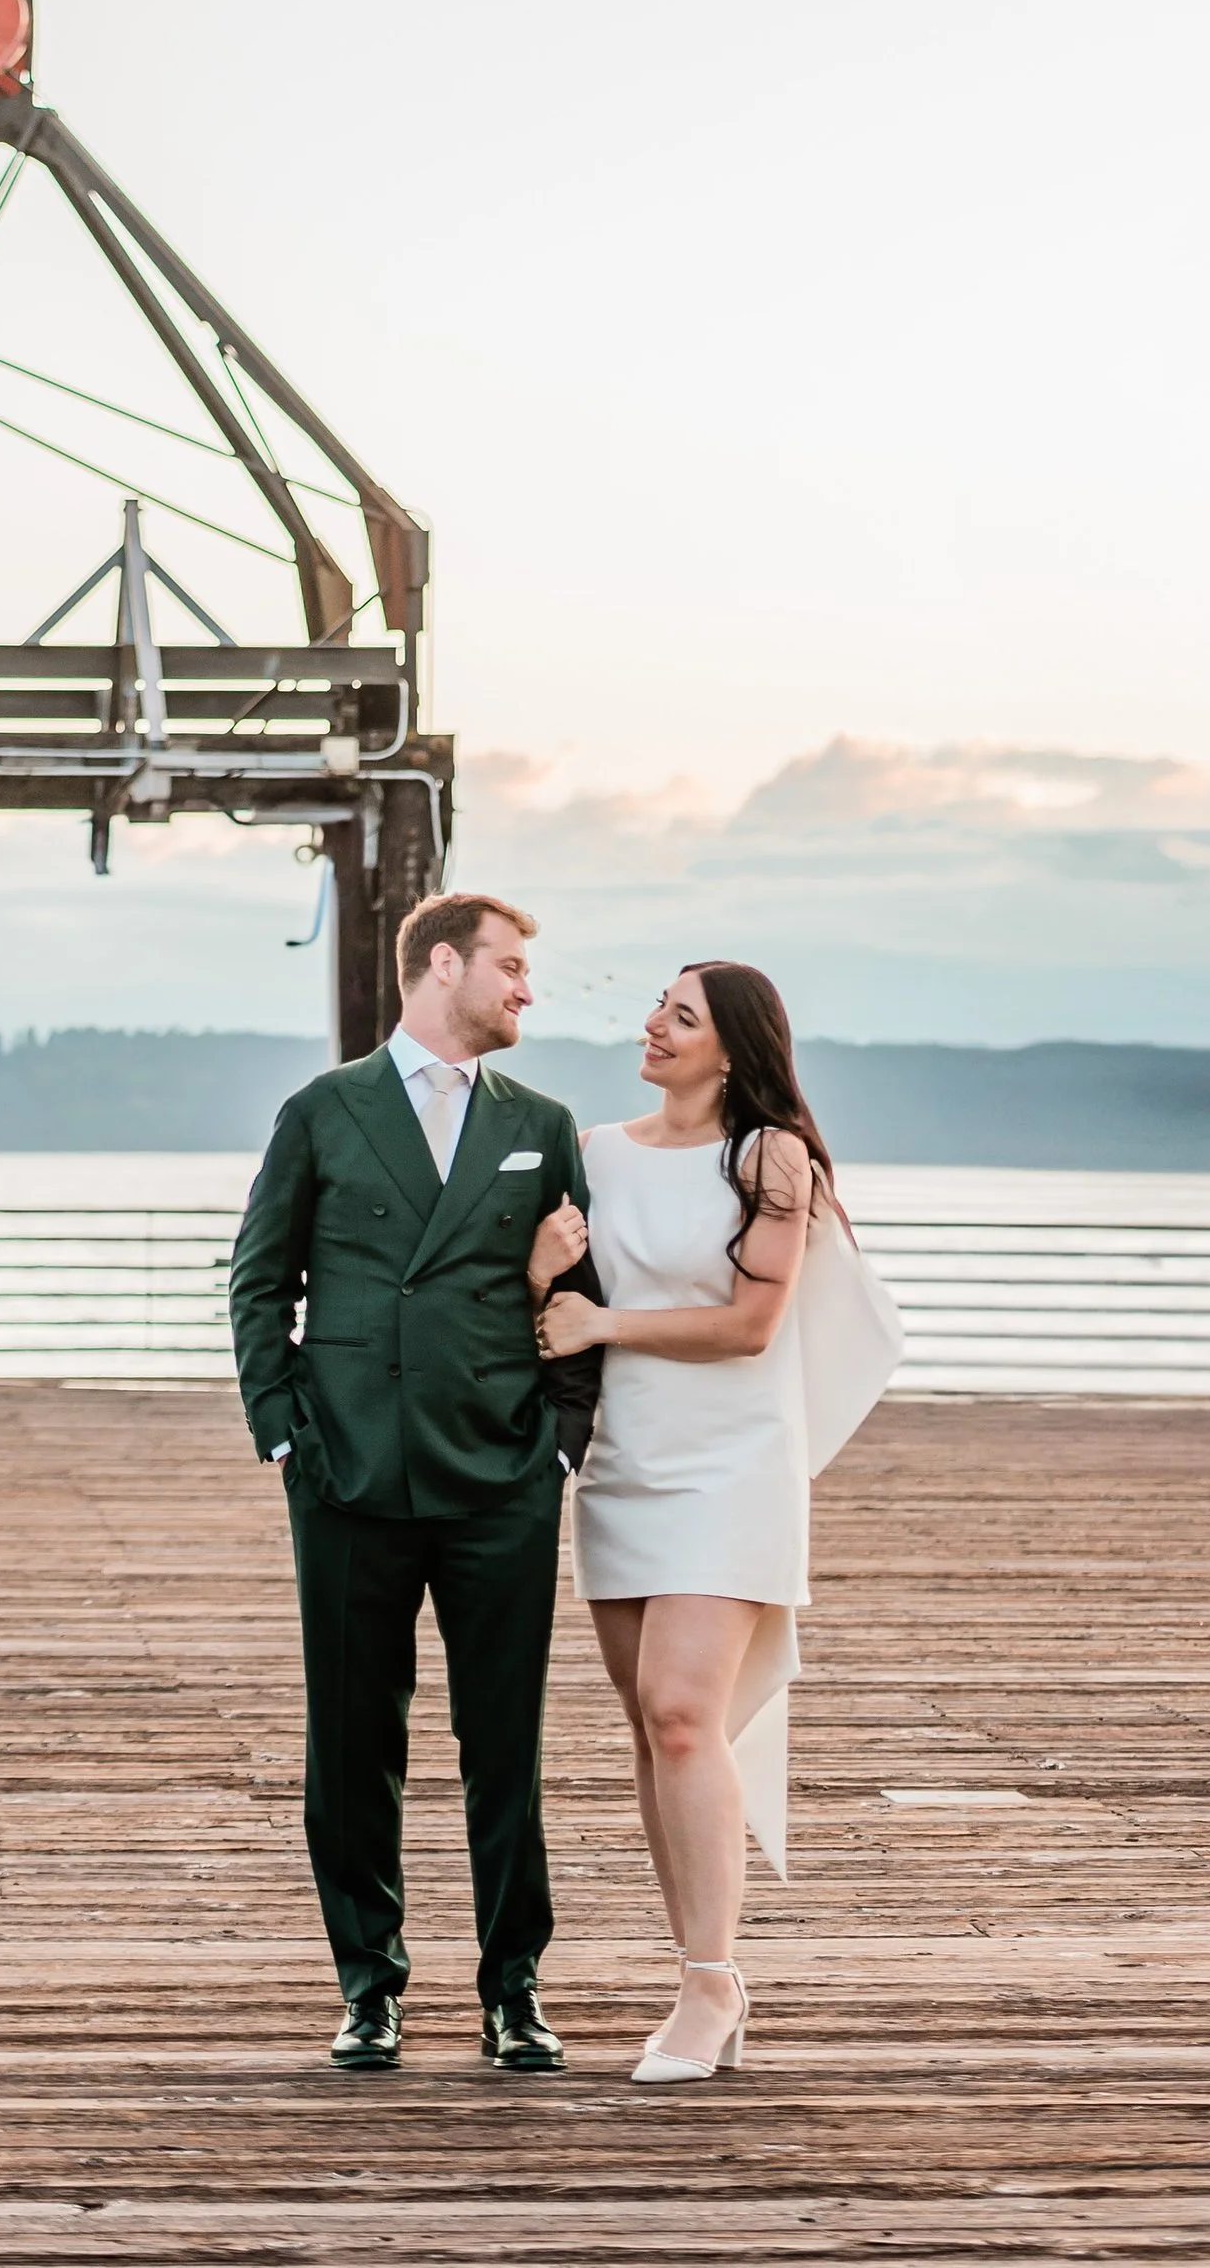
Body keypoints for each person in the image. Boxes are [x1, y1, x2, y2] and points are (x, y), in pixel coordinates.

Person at [228, 892, 591, 2074]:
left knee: (506, 1745)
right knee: (350, 1742)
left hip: (499, 1472)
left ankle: (513, 1988)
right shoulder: (322, 1110)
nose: (527, 988)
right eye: (512, 965)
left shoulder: (542, 1121)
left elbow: (580, 1298)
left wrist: (561, 1438)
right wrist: (284, 1434)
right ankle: (368, 1984)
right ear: (444, 963)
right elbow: (258, 1280)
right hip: (349, 1473)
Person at [533, 960, 903, 2084]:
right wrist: (541, 1276)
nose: (654, 1023)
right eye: (658, 1004)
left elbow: (750, 1325)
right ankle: (701, 1969)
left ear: (733, 1048)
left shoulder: (769, 1157)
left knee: (685, 1713)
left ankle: (710, 1981)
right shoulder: (595, 1151)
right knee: (655, 1729)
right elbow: (551, 1305)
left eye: (682, 1015)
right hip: (622, 1464)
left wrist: (603, 1323)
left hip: (733, 1464)